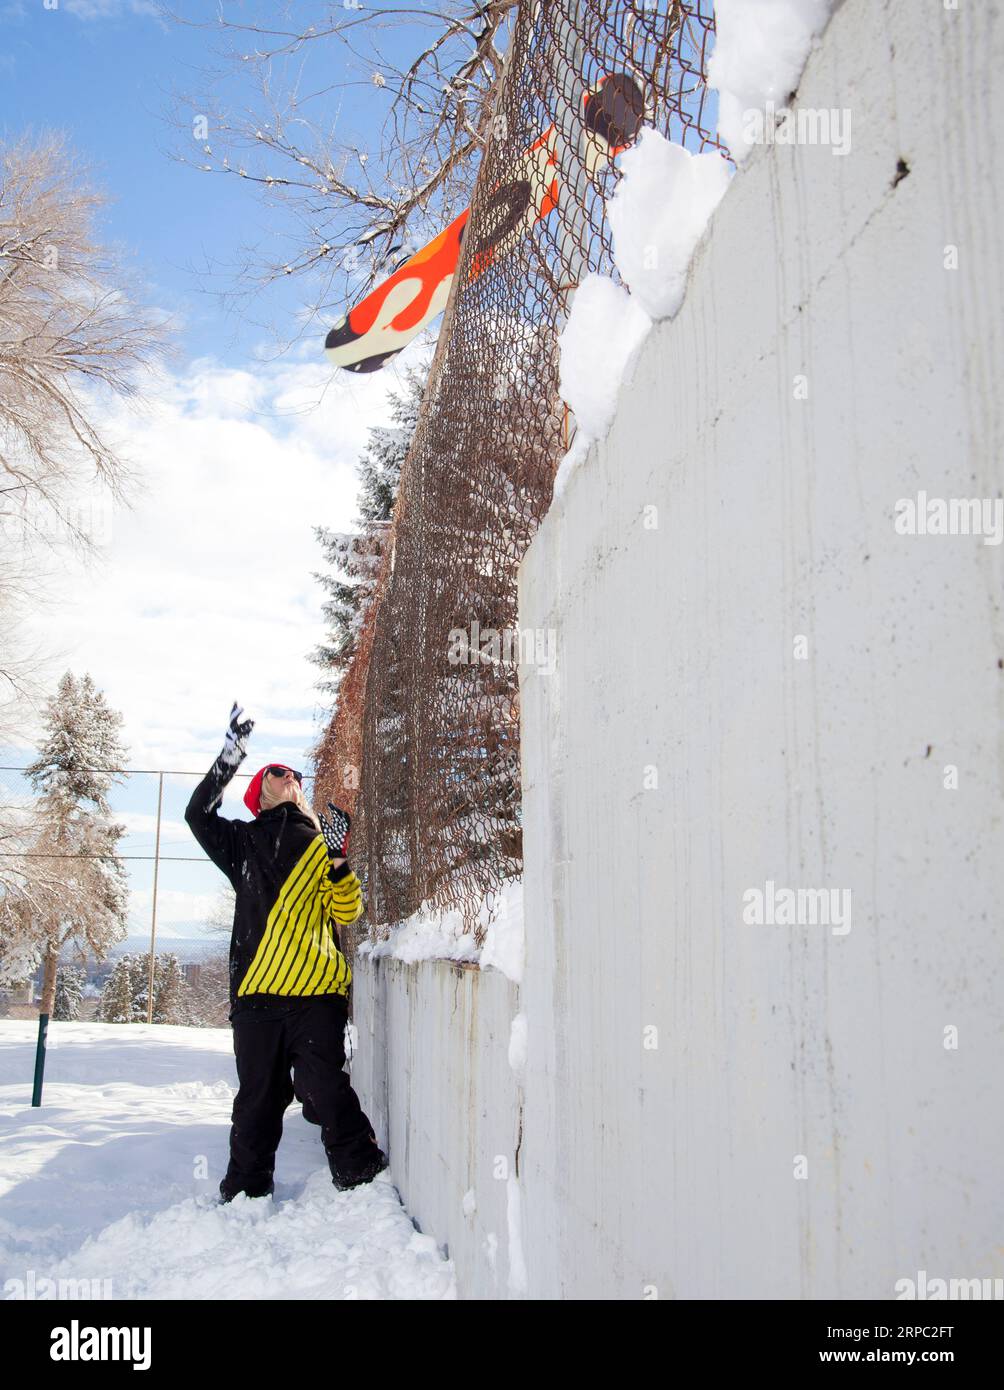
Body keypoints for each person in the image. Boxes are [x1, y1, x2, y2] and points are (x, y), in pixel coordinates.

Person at [184, 700, 388, 1202]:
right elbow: (196, 813)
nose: (292, 777)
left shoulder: (322, 845)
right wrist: (232, 754)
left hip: (316, 992)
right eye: (279, 772)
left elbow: (346, 912)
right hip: (257, 998)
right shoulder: (242, 843)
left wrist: (340, 863)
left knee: (323, 1084)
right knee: (257, 1099)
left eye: (296, 774)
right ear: (261, 793)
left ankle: (360, 1174)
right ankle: (246, 1191)